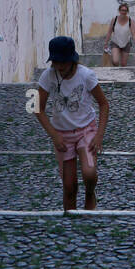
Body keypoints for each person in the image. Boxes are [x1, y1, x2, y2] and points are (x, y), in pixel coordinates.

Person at [35, 36, 109, 212]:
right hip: (62, 135)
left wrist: (99, 135)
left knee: (89, 172)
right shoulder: (48, 76)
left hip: (86, 130)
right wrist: (54, 135)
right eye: (55, 62)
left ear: (72, 60)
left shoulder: (86, 75)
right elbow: (38, 108)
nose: (59, 67)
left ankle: (90, 194)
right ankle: (71, 222)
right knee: (69, 187)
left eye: (63, 62)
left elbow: (104, 104)